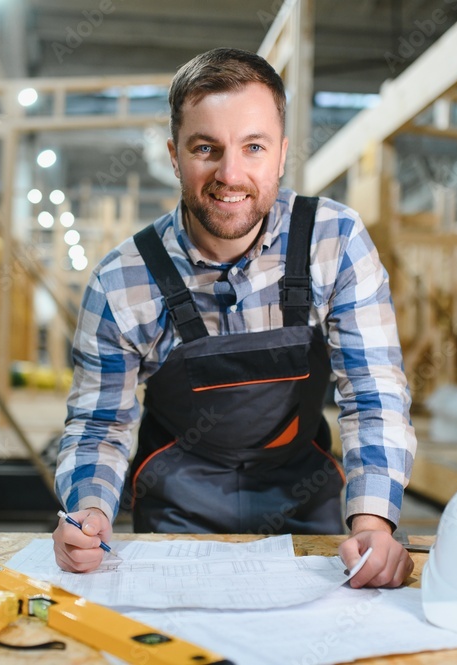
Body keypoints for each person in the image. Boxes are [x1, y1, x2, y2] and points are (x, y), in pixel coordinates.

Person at [52, 47, 417, 588]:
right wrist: (87, 514)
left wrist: (373, 524)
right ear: (174, 155)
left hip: (304, 497)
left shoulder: (334, 241)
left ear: (282, 154)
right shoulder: (121, 281)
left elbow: (372, 391)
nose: (231, 174)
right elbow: (99, 424)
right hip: (178, 507)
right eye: (206, 148)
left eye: (254, 147)